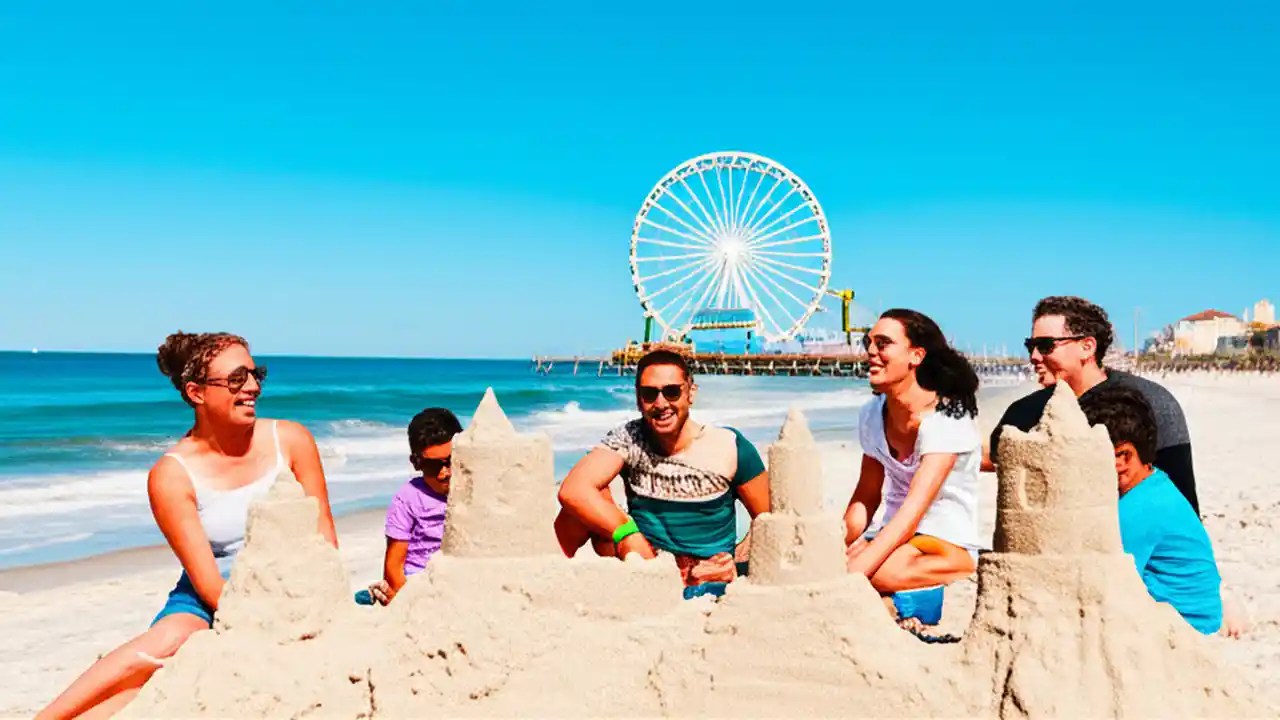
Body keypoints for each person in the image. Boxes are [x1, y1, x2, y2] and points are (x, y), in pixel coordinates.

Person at [38, 332, 339, 720]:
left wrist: (311, 603)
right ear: (197, 392)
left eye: (254, 373)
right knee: (161, 647)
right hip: (210, 594)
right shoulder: (171, 475)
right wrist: (253, 617)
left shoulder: (292, 440)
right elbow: (210, 584)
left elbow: (325, 536)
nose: (252, 387)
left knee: (159, 684)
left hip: (292, 585)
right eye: (236, 379)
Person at [554, 349, 769, 597]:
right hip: (647, 571)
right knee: (589, 500)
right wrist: (629, 535)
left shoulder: (728, 445)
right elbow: (574, 490)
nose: (661, 403)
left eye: (672, 391)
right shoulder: (629, 439)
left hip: (705, 582)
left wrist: (737, 564)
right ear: (638, 399)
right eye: (649, 394)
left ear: (691, 393)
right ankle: (549, 583)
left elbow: (769, 523)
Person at [985, 296, 1199, 514]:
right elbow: (987, 458)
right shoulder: (1026, 411)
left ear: (1087, 347)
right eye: (1030, 346)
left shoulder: (1152, 402)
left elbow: (1183, 503)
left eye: (1045, 346)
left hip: (1129, 539)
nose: (1034, 356)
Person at [844, 309, 982, 628]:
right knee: (842, 560)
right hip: (896, 535)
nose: (871, 352)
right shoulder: (871, 415)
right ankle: (894, 597)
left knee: (876, 570)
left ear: (915, 356)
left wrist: (854, 572)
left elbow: (912, 514)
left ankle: (942, 583)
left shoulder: (947, 419)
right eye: (869, 343)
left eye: (883, 343)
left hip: (944, 539)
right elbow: (866, 497)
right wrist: (836, 540)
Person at [1078, 385, 1223, 634]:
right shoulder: (1154, 484)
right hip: (1196, 616)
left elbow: (1102, 580)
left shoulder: (1140, 509)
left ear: (1122, 457)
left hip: (1186, 627)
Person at [363, 407, 461, 606]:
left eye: (451, 462)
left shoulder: (471, 489)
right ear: (417, 463)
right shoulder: (409, 498)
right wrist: (407, 602)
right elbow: (393, 565)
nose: (445, 473)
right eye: (434, 466)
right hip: (418, 581)